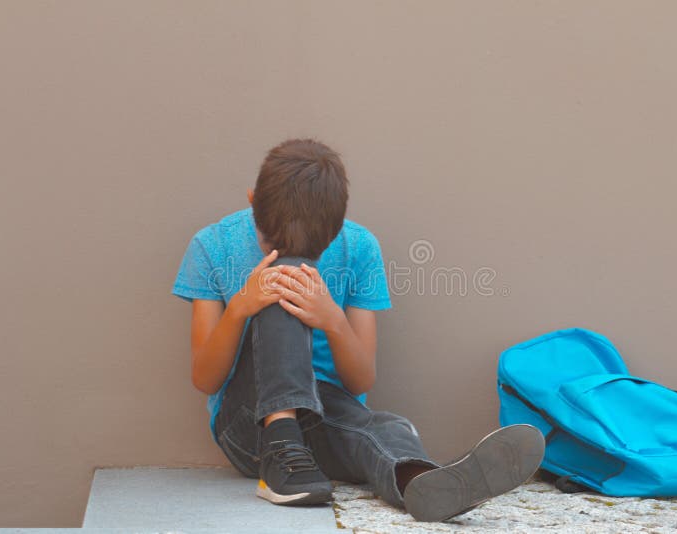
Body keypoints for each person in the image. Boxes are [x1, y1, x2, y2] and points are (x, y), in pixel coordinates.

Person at [171, 138, 545, 522]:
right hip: (249, 428)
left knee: (381, 429)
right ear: (251, 201)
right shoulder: (212, 245)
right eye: (268, 242)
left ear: (334, 231)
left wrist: (331, 318)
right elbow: (206, 379)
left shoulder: (359, 246)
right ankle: (279, 445)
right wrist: (240, 309)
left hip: (323, 415)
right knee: (280, 280)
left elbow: (359, 379)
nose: (281, 251)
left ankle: (424, 482)